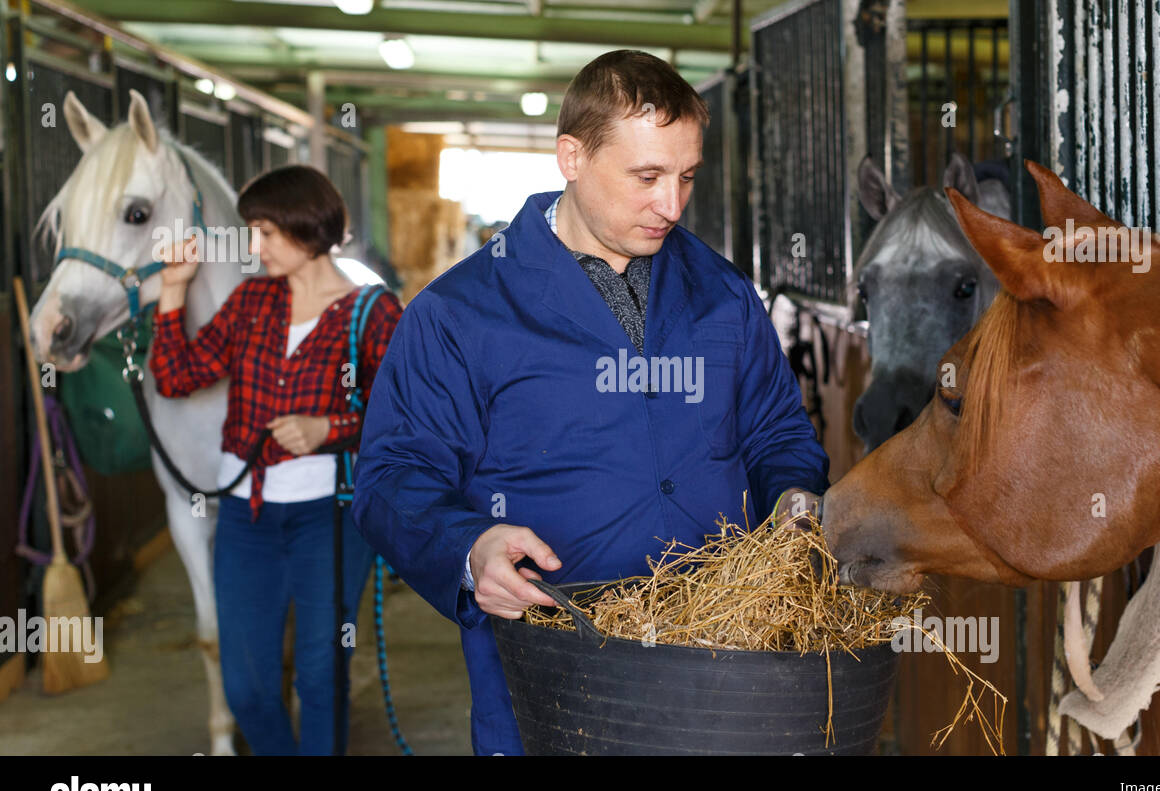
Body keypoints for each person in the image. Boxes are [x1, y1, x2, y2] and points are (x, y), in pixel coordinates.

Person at [351, 50, 828, 755]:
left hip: (721, 659)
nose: (671, 204)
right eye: (647, 177)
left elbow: (776, 431)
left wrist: (795, 499)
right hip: (549, 668)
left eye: (686, 177)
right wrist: (470, 547)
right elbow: (392, 479)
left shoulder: (723, 294)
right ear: (570, 156)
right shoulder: (460, 314)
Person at [150, 165, 402, 755]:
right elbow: (176, 376)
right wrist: (172, 289)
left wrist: (329, 428)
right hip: (247, 517)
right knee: (247, 689)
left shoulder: (372, 313)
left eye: (264, 231)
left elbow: (403, 423)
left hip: (330, 518)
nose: (254, 246)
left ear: (305, 226)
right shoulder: (251, 300)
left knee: (319, 678)